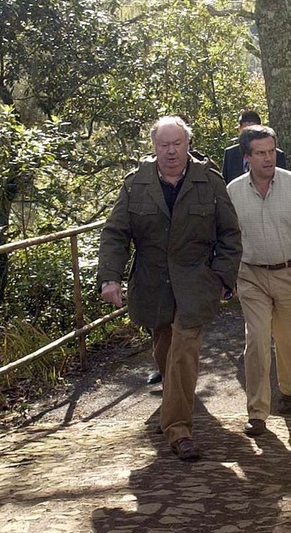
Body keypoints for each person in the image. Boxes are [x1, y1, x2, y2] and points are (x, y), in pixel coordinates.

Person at [98, 116, 242, 462]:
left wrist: (222, 278)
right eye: (164, 145)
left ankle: (178, 429)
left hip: (195, 282)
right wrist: (110, 278)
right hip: (152, 284)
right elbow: (116, 233)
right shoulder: (136, 184)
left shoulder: (209, 182)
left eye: (177, 143)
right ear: (154, 147)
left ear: (188, 144)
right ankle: (175, 400)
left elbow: (230, 235)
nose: (171, 151)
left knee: (182, 350)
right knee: (166, 349)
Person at [227, 125, 291, 437]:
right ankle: (257, 412)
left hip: (290, 273)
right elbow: (228, 236)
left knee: (287, 341)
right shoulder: (234, 191)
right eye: (260, 153)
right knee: (255, 340)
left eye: (271, 152)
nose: (267, 158)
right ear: (247, 157)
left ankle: (290, 388)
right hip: (251, 276)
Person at [223, 110, 286, 182]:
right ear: (239, 129)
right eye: (246, 131)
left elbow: (281, 180)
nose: (250, 136)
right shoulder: (230, 153)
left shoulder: (277, 154)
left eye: (253, 131)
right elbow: (225, 182)